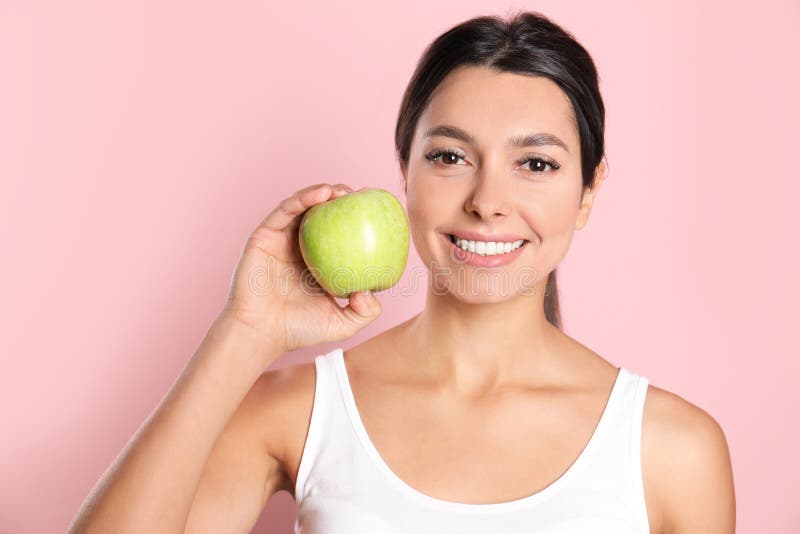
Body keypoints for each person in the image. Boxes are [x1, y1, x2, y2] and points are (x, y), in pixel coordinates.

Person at [68, 10, 736, 534]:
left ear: (589, 191)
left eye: (536, 164)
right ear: (404, 174)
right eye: (450, 157)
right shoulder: (299, 412)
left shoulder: (672, 448)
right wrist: (245, 329)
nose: (487, 201)